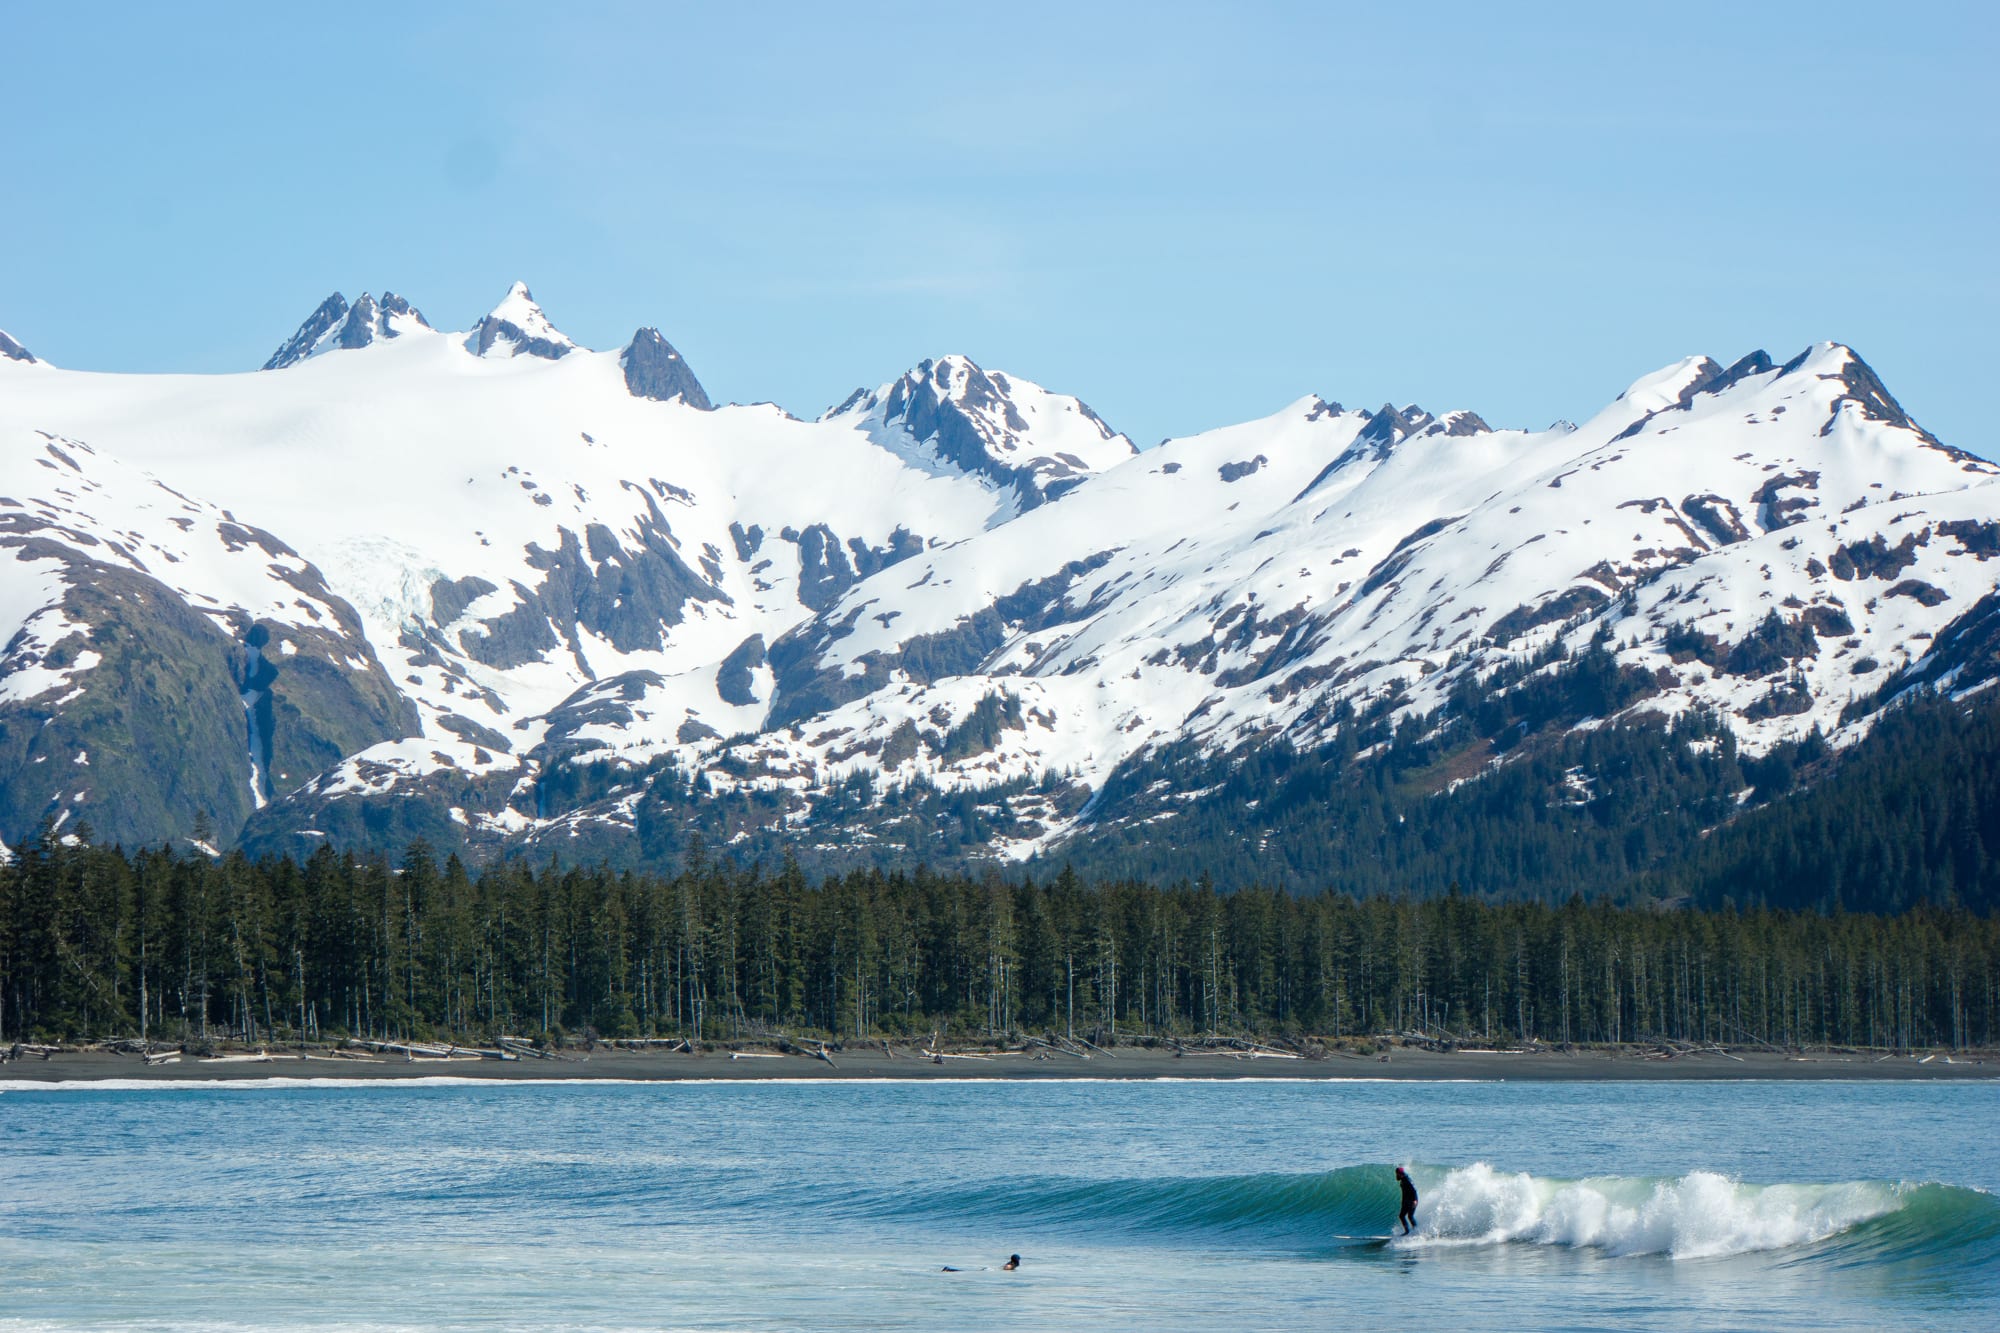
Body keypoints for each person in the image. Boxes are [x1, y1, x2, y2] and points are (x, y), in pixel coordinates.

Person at [1395, 1166, 1419, 1235]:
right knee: (1401, 1216)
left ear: (1400, 1173)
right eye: (1396, 1173)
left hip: (1412, 1200)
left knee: (1410, 1216)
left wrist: (1415, 1200)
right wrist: (1403, 1201)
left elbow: (1414, 1190)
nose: (1396, 1175)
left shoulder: (1408, 1180)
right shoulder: (1402, 1179)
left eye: (1397, 1173)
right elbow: (1404, 1192)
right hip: (1406, 1200)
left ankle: (1416, 1232)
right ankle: (1407, 1231)